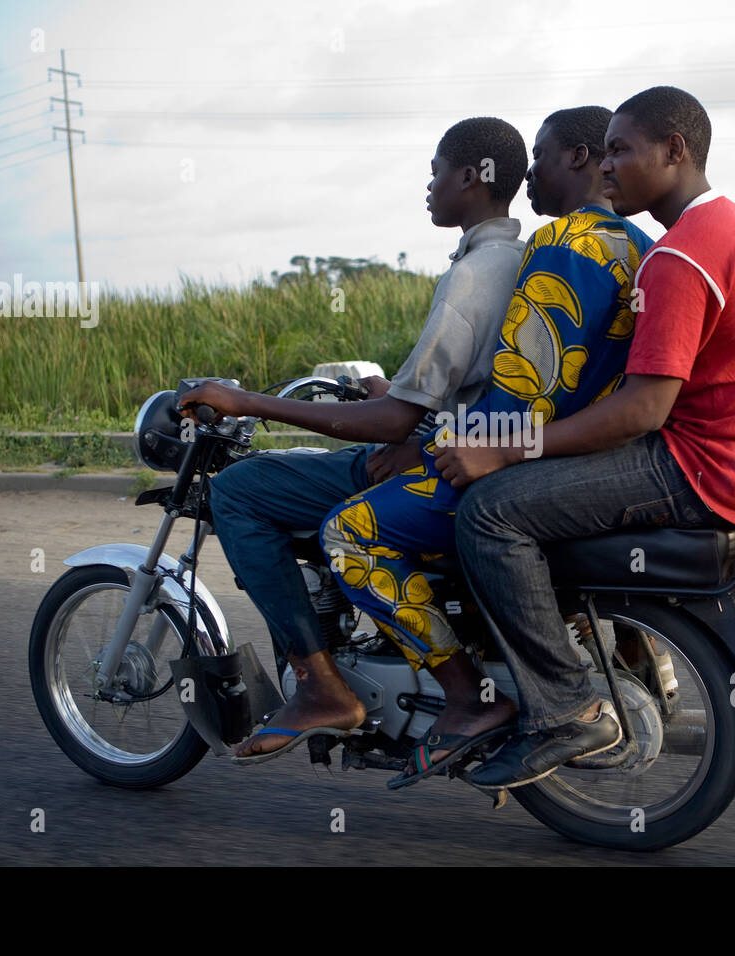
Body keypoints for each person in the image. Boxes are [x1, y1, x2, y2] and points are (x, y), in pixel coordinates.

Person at [440, 86, 735, 789]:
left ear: (675, 151)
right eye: (603, 150)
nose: (607, 167)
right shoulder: (733, 226)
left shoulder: (680, 258)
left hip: (699, 467)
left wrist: (502, 446)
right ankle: (630, 655)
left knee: (490, 512)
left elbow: (642, 411)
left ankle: (563, 710)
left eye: (621, 150)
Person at [319, 106, 653, 786]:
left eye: (542, 156)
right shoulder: (638, 246)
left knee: (347, 535)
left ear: (583, 160)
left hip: (519, 463)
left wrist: (446, 443)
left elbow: (527, 389)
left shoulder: (565, 245)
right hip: (586, 460)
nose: (528, 173)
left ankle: (468, 699)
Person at [176, 117, 529, 761]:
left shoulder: (475, 273)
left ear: (473, 177)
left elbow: (395, 422)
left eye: (436, 170)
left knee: (240, 491)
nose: (428, 185)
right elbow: (457, 388)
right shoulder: (520, 258)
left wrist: (247, 400)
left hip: (441, 458)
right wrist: (395, 399)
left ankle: (320, 686)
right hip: (469, 442)